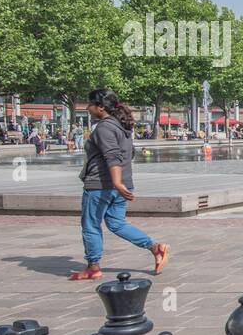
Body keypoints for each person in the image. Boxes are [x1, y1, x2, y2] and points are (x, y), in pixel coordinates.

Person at [69, 88, 170, 281]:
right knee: (116, 223)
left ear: (100, 107)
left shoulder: (104, 128)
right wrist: (121, 182)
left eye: (90, 104)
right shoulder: (122, 127)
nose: (88, 108)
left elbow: (112, 155)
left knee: (91, 225)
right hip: (122, 185)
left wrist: (116, 182)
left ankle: (93, 266)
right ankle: (155, 248)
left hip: (101, 185)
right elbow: (129, 154)